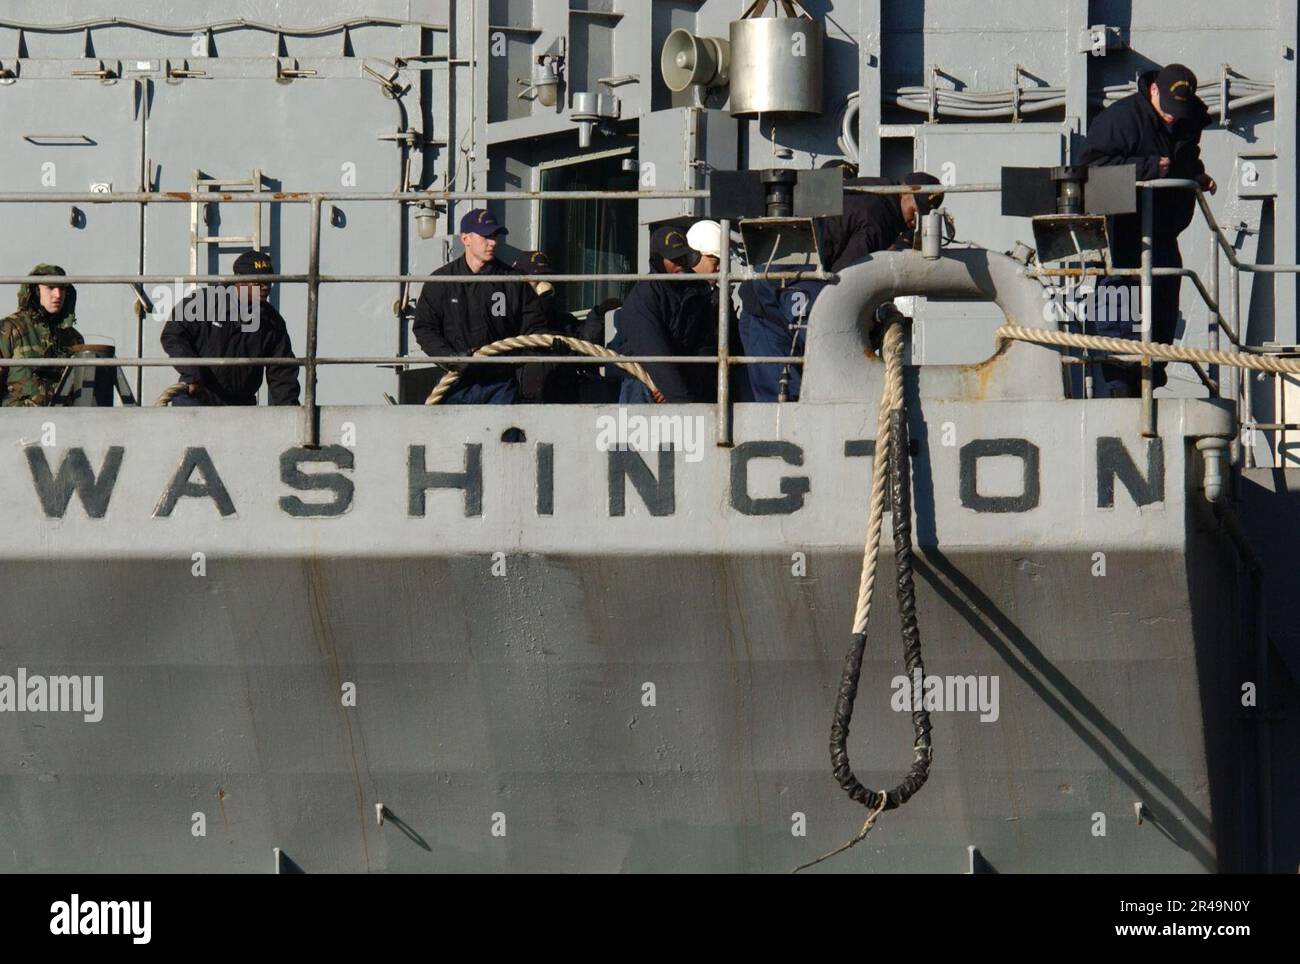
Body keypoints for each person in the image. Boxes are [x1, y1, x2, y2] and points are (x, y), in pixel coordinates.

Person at [737, 172, 943, 401]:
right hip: (791, 288)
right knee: (788, 397)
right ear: (907, 191)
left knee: (778, 392)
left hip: (771, 282)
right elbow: (846, 277)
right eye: (916, 210)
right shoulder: (881, 217)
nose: (915, 220)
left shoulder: (870, 188)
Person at [1079, 63, 1215, 396]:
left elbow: (1186, 156)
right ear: (1153, 90)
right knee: (1120, 312)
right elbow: (1088, 168)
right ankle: (1121, 386)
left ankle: (1152, 376)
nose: (1172, 117)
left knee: (1164, 309)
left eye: (1178, 112)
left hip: (1164, 232)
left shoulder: (1187, 117)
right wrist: (1151, 168)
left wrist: (1197, 176)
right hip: (1124, 232)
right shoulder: (1121, 119)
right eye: (1168, 110)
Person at [412, 208, 547, 404]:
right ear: (465, 239)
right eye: (485, 236)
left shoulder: (514, 282)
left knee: (502, 433)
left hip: (500, 383)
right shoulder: (441, 282)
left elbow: (533, 326)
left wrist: (535, 350)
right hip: (456, 383)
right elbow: (425, 328)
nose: (492, 242)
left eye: (494, 236)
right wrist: (451, 358)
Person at [161, 249, 300, 406]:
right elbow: (173, 334)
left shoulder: (271, 323)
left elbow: (282, 372)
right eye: (258, 283)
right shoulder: (204, 302)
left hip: (240, 402)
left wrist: (288, 412)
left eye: (268, 282)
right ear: (239, 281)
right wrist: (193, 374)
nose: (265, 287)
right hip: (198, 395)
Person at [608, 225, 714, 403]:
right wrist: (679, 397)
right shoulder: (643, 297)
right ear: (658, 260)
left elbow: (706, 345)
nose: (680, 263)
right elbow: (652, 350)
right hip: (644, 383)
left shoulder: (699, 293)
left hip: (681, 383)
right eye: (673, 258)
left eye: (683, 257)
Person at [0, 264, 85, 406]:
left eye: (62, 288)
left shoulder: (73, 338)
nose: (58, 295)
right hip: (18, 420)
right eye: (50, 288)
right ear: (35, 290)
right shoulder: (10, 329)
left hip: (64, 422)